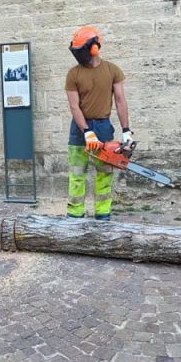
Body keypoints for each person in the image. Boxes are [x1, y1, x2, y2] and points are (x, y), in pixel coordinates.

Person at [65, 25, 133, 220]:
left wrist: (126, 130)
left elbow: (120, 101)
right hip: (79, 129)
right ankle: (75, 215)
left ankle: (103, 214)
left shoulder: (112, 70)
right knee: (77, 174)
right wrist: (86, 131)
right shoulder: (73, 74)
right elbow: (74, 106)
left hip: (103, 127)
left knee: (104, 173)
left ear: (94, 47)